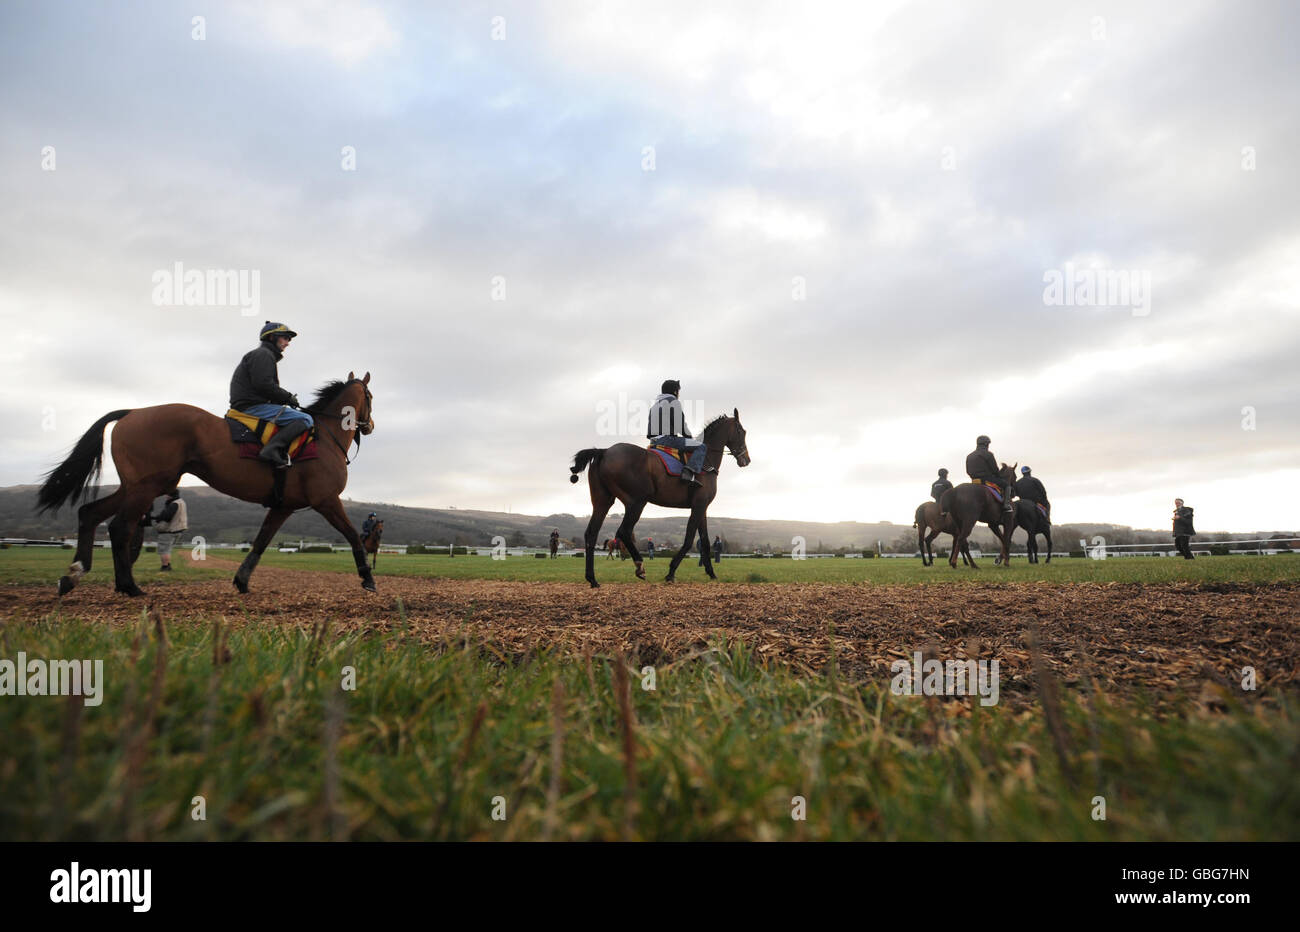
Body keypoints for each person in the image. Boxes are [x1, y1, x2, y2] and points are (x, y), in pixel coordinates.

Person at [229, 321, 313, 468]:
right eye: (285, 338)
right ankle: (271, 449)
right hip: (252, 407)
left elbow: (264, 387)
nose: (288, 343)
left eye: (289, 339)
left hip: (252, 403)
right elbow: (264, 385)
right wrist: (287, 397)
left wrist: (284, 400)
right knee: (306, 419)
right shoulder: (263, 354)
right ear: (272, 337)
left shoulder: (263, 355)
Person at [647, 379, 706, 485]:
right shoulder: (673, 402)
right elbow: (680, 425)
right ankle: (688, 472)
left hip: (653, 442)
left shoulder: (654, 405)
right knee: (701, 446)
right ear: (675, 391)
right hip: (668, 440)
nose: (679, 394)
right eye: (678, 391)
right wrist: (689, 438)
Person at [966, 435, 1013, 513]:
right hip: (987, 479)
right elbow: (995, 470)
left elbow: (968, 471)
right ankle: (1006, 505)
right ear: (985, 444)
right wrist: (999, 476)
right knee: (1006, 485)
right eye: (988, 444)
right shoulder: (988, 454)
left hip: (974, 480)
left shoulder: (969, 456)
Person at [149, 488, 187, 571]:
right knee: (168, 549)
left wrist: (156, 518)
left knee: (164, 550)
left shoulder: (174, 504)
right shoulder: (181, 502)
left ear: (169, 495)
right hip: (178, 530)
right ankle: (168, 565)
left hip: (169, 531)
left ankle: (165, 567)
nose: (165, 496)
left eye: (166, 494)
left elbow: (167, 516)